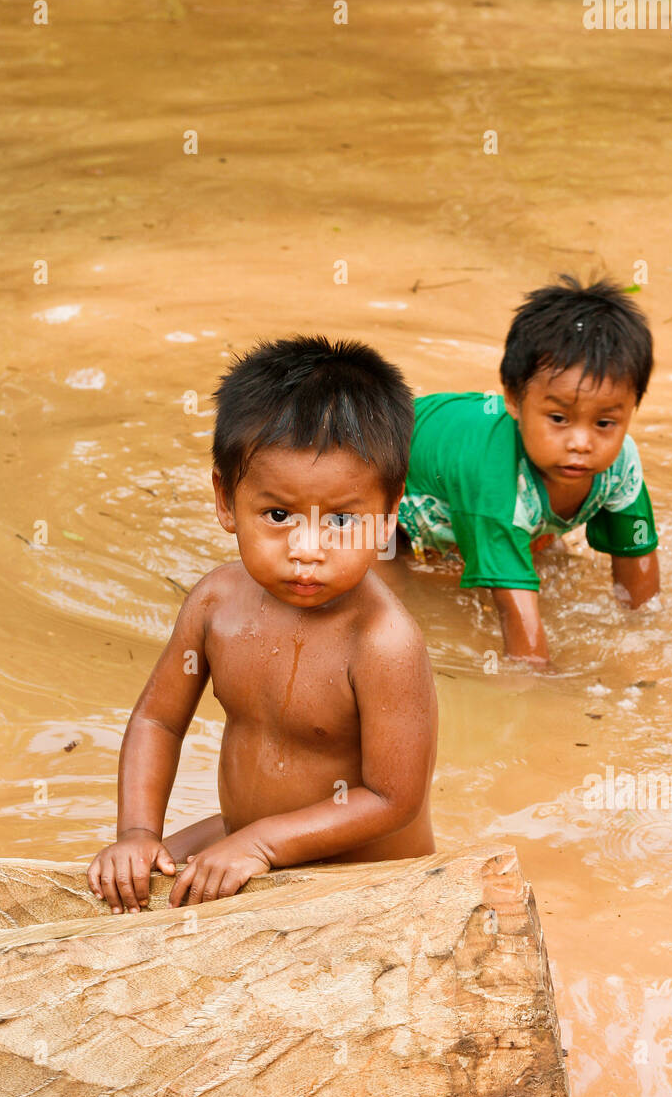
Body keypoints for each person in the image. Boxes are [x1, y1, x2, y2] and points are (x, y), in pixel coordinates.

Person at [88, 336, 437, 912]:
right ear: (226, 501)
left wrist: (263, 844)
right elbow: (158, 720)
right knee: (124, 891)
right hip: (247, 838)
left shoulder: (383, 643)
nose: (306, 549)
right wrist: (136, 833)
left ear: (387, 517)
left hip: (368, 879)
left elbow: (392, 799)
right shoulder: (215, 604)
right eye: (278, 515)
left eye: (342, 521)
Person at [398, 276, 660, 663]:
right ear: (513, 399)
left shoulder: (621, 463)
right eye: (559, 418)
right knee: (396, 590)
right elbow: (524, 646)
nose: (581, 443)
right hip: (389, 481)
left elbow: (637, 565)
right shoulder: (494, 482)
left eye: (605, 423)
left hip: (480, 481)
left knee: (544, 553)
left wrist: (649, 646)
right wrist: (542, 690)